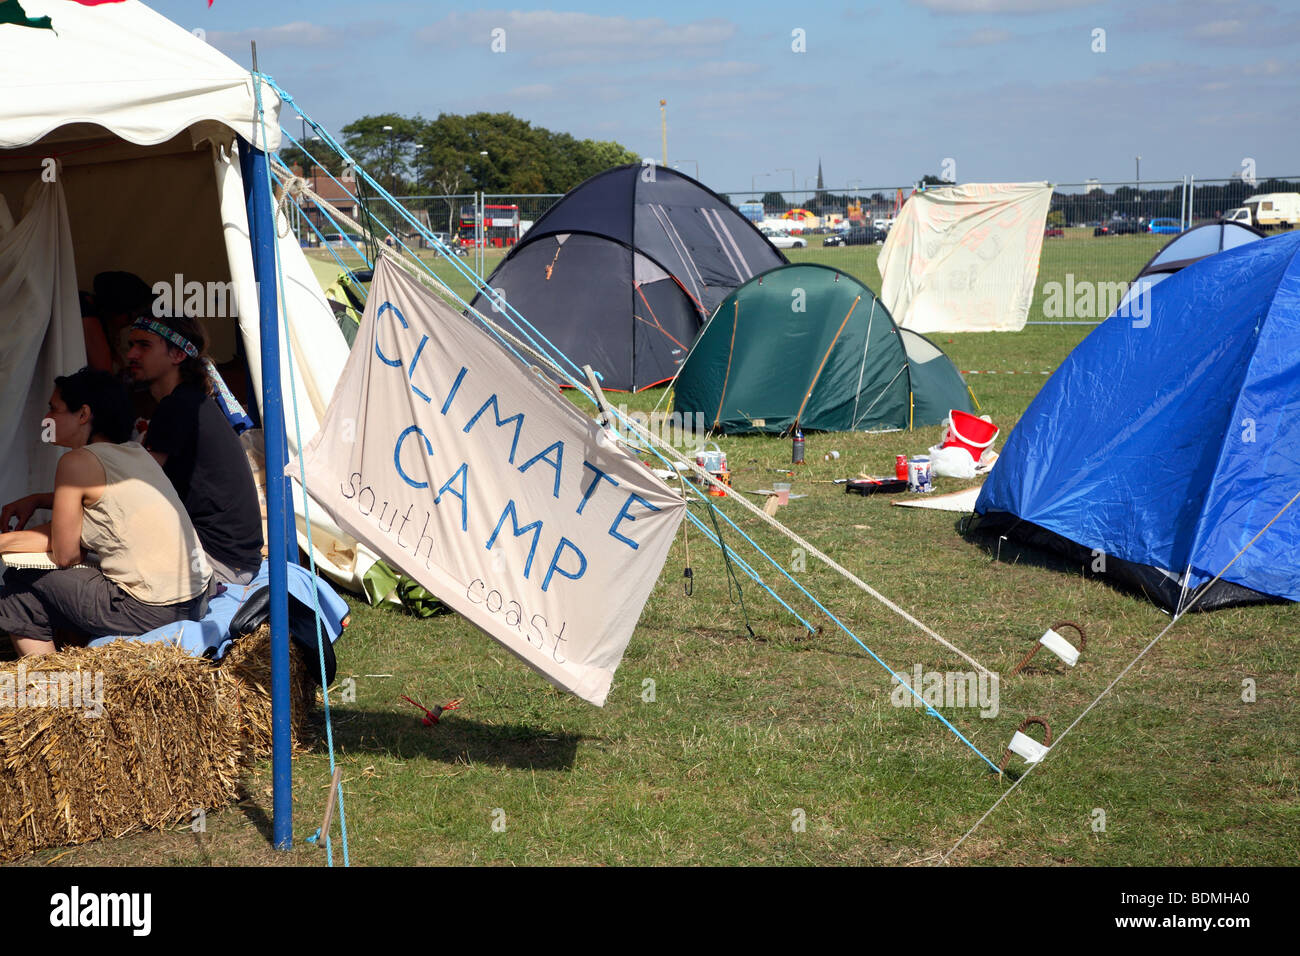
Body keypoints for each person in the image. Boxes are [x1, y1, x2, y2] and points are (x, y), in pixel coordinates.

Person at [0, 368, 212, 658]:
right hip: (196, 599)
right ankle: (56, 674)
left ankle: (49, 680)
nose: (46, 419)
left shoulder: (76, 462)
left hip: (150, 611)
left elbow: (67, 555)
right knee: (26, 594)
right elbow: (107, 502)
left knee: (18, 578)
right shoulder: (135, 452)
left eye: (54, 408)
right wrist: (39, 500)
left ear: (83, 414)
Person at [124, 313, 264, 585]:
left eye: (144, 345)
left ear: (177, 354)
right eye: (130, 345)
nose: (131, 354)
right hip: (235, 560)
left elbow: (133, 491)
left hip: (219, 565)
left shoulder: (178, 406)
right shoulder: (190, 402)